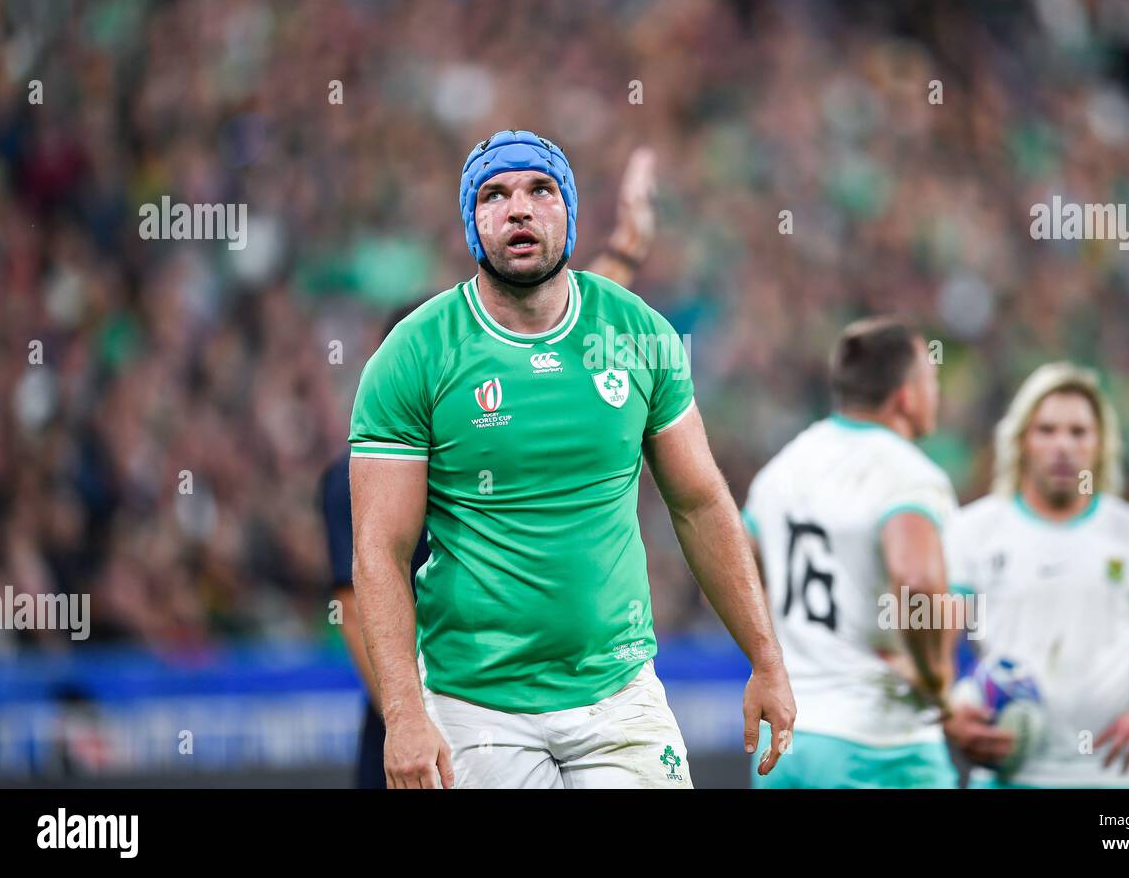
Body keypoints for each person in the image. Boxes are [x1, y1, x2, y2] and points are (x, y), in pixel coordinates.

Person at [348, 129, 795, 788]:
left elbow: (699, 503)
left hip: (619, 695)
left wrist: (765, 658)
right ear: (472, 224)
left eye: (540, 191)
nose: (519, 208)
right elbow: (379, 549)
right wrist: (405, 713)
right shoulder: (414, 354)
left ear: (570, 212)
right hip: (475, 706)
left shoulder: (638, 332)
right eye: (493, 196)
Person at [321, 145, 665, 788]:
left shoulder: (504, 400)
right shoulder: (359, 469)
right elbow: (357, 596)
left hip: (527, 701)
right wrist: (406, 717)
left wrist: (627, 246)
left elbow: (570, 339)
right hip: (436, 707)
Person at [943, 362, 1129, 787]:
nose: (1063, 446)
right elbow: (925, 642)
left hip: (1105, 777)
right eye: (1046, 430)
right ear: (1021, 441)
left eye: (1078, 432)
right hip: (1004, 778)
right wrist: (950, 711)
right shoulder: (971, 533)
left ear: (1101, 446)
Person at [742, 316, 961, 787]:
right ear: (907, 394)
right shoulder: (908, 474)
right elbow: (918, 582)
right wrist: (936, 673)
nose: (937, 393)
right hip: (881, 745)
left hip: (786, 745)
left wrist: (774, 656)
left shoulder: (782, 468)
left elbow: (729, 576)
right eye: (932, 379)